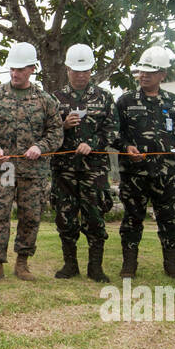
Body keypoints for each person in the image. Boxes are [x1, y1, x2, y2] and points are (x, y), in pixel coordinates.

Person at [0, 43, 64, 285]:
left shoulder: (45, 100)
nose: (15, 74)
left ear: (32, 69)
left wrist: (41, 147)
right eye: (12, 69)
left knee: (30, 216)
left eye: (21, 69)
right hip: (4, 168)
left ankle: (22, 262)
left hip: (32, 170)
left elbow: (56, 132)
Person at [115, 46, 175, 280]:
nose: (144, 75)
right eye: (141, 70)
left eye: (150, 71)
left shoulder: (174, 102)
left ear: (162, 74)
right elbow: (113, 132)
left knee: (169, 218)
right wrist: (125, 147)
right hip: (134, 174)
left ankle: (172, 265)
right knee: (132, 219)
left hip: (167, 174)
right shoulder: (126, 101)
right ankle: (129, 265)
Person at [49, 43, 119, 282]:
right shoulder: (55, 99)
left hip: (94, 169)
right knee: (65, 217)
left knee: (95, 216)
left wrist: (94, 144)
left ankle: (95, 267)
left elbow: (113, 130)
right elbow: (45, 132)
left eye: (85, 71)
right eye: (75, 71)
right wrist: (62, 125)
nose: (80, 75)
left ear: (91, 71)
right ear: (67, 69)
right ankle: (70, 265)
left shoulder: (104, 97)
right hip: (64, 169)